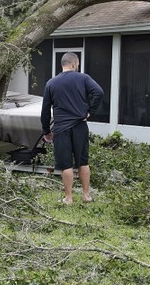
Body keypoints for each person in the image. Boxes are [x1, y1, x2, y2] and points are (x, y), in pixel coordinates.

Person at [41, 52, 104, 205]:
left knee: (66, 164)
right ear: (75, 63)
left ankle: (68, 198)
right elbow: (99, 92)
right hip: (80, 125)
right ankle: (86, 195)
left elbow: (45, 110)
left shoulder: (51, 83)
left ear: (62, 64)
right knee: (83, 162)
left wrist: (46, 131)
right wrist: (90, 112)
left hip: (61, 128)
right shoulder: (83, 78)